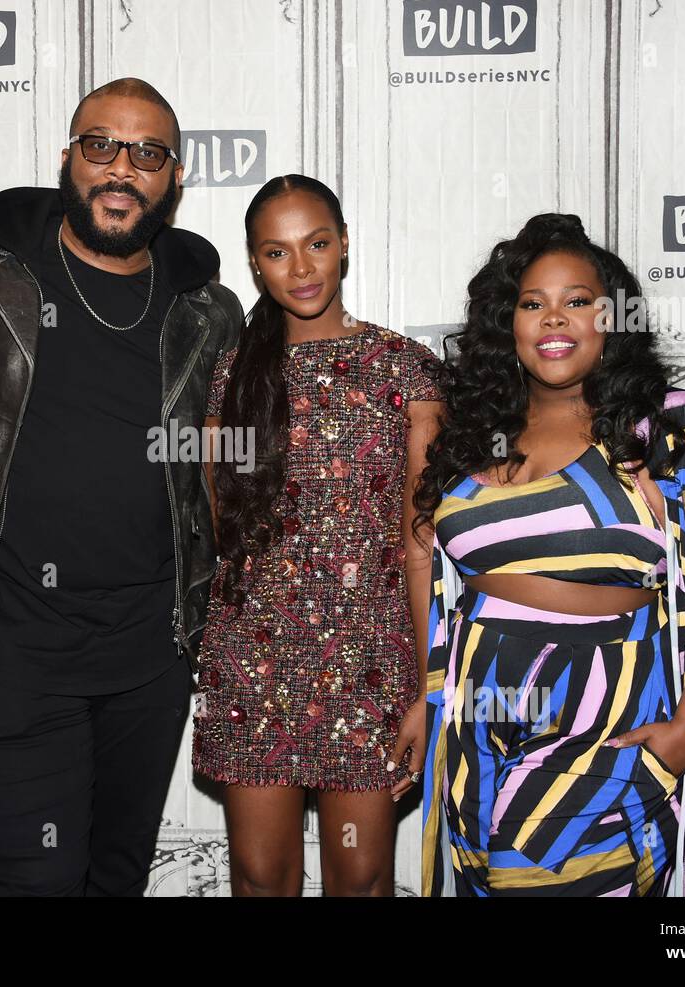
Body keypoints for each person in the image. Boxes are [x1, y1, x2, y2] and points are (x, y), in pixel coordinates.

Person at [0, 78, 245, 895]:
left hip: (149, 659)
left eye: (148, 154)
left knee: (116, 879)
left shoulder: (207, 310)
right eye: (100, 144)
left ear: (173, 178)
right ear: (67, 157)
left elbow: (234, 465)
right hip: (12, 653)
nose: (121, 169)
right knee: (35, 882)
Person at [412, 212, 685, 896]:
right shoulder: (479, 434)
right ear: (507, 323)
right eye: (532, 303)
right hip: (475, 729)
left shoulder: (669, 427)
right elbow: (431, 571)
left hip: (600, 728)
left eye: (577, 301)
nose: (555, 319)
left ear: (612, 318)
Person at [192, 175, 443, 896]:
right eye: (277, 251)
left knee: (360, 880)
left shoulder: (405, 370)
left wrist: (426, 685)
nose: (301, 269)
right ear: (254, 264)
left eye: (317, 245)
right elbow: (220, 526)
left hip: (367, 665)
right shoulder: (232, 378)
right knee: (260, 879)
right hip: (251, 662)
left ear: (344, 247)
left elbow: (419, 541)